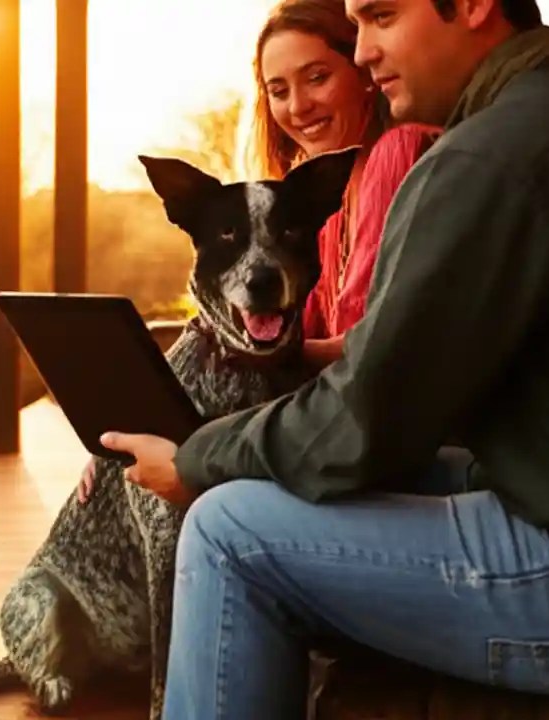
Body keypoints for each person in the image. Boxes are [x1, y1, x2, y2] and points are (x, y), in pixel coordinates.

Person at [103, 0, 549, 717]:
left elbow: (362, 420)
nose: (363, 53)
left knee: (230, 529)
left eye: (381, 17)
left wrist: (196, 459)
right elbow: (397, 404)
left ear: (474, 6)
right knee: (353, 479)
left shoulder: (493, 156)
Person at [76, 0, 440, 503]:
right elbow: (286, 349)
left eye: (317, 78)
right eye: (279, 90)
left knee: (204, 504)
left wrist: (221, 355)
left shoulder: (393, 157)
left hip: (387, 449)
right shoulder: (310, 211)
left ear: (362, 73)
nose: (298, 106)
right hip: (341, 434)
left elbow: (365, 348)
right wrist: (129, 432)